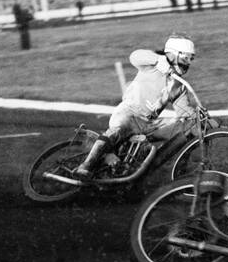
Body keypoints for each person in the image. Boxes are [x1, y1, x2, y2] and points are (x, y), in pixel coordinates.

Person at [74, 36, 203, 178]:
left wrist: (199, 118)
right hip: (129, 113)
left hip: (148, 124)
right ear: (172, 54)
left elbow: (184, 111)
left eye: (191, 59)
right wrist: (158, 59)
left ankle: (179, 173)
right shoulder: (152, 65)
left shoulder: (179, 85)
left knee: (187, 128)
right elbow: (135, 56)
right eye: (186, 58)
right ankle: (86, 165)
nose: (188, 63)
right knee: (117, 130)